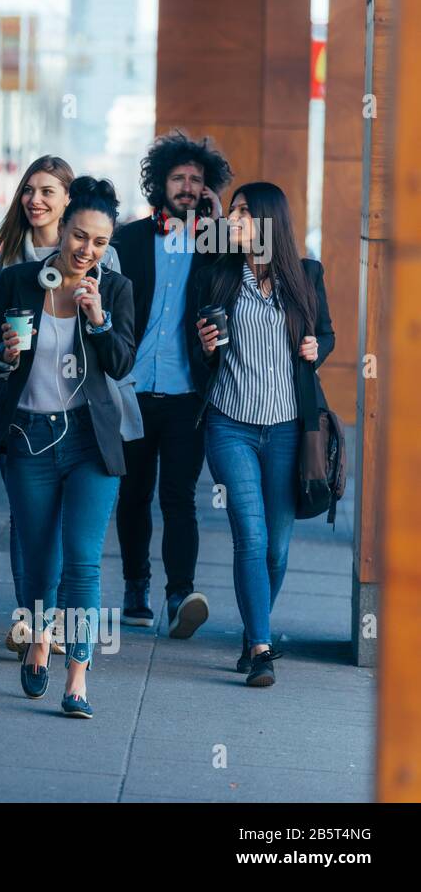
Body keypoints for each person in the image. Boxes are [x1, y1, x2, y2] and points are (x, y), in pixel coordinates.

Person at [0, 177, 136, 718]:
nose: (87, 249)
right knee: (39, 558)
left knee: (83, 563)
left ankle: (77, 677)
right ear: (63, 227)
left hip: (90, 441)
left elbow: (121, 362)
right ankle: (40, 640)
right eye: (79, 236)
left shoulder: (115, 289)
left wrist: (98, 320)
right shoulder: (20, 280)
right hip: (29, 437)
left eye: (99, 242)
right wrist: (3, 353)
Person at [0, 155, 122, 656]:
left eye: (47, 191)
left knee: (81, 553)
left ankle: (72, 662)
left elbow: (120, 357)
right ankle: (35, 625)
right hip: (24, 424)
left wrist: (98, 319)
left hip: (86, 428)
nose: (35, 200)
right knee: (33, 539)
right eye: (29, 190)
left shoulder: (108, 274)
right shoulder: (15, 267)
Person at [192, 182, 334, 687]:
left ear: (270, 221)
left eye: (244, 212)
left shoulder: (306, 276)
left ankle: (255, 629)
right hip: (230, 424)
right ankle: (260, 648)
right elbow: (198, 352)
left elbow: (326, 334)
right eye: (232, 211)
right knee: (250, 536)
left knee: (277, 549)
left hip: (288, 429)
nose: (234, 220)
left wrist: (317, 347)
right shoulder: (218, 274)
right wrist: (205, 347)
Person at [112, 130, 232, 639]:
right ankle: (135, 587)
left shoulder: (214, 244)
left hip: (188, 395)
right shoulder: (128, 239)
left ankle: (180, 595)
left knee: (179, 498)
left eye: (196, 180)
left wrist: (219, 220)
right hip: (133, 390)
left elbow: (248, 263)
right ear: (160, 183)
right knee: (133, 495)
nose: (187, 186)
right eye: (178, 178)